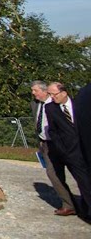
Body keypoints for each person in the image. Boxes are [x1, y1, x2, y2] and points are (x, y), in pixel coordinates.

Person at [44, 82, 91, 219]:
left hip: (85, 148)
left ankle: (84, 206)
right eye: (50, 94)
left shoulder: (79, 104)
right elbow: (53, 131)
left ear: (64, 93)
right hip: (70, 152)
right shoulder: (51, 108)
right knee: (84, 182)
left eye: (54, 94)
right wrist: (63, 150)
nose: (52, 97)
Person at [32, 81, 78, 216]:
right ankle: (69, 204)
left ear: (44, 91)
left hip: (66, 145)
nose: (33, 93)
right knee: (53, 174)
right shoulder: (36, 104)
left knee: (78, 172)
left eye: (35, 90)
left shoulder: (57, 105)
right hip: (47, 145)